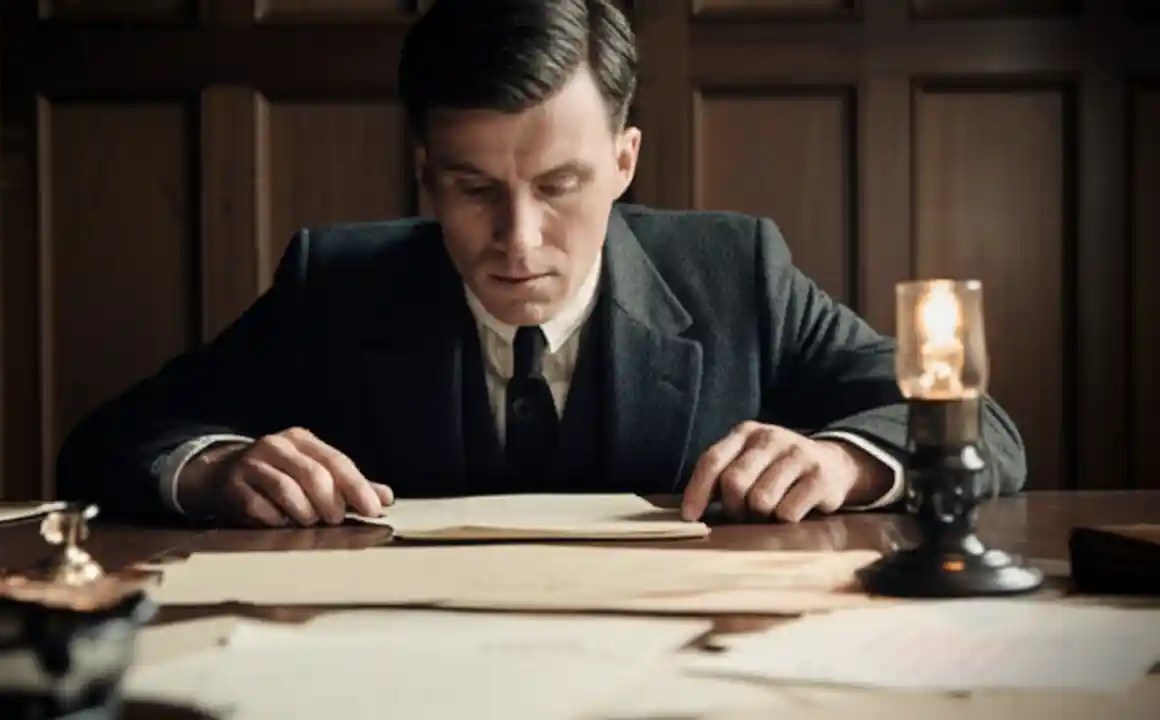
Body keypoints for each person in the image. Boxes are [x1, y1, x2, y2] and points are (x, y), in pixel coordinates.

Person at [56, 0, 1025, 527]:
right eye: (473, 189)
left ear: (623, 161)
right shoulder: (335, 283)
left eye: (559, 184)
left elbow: (975, 423)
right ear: (424, 173)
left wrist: (842, 461)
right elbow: (110, 441)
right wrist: (217, 468)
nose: (517, 243)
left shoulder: (739, 269)